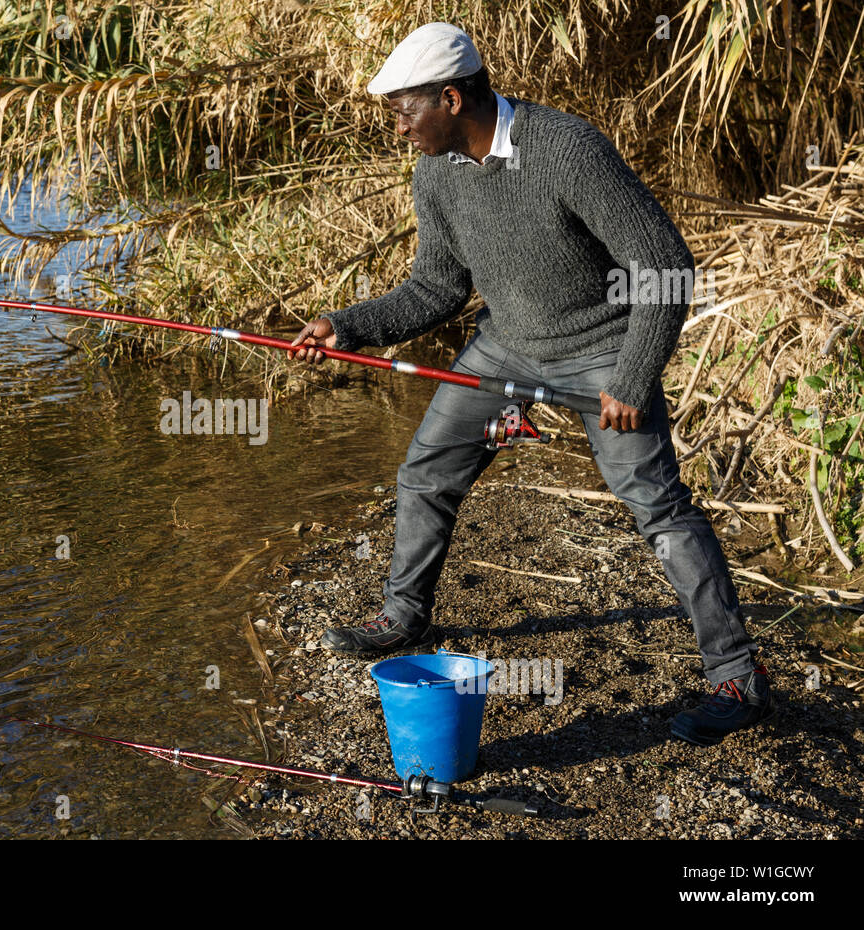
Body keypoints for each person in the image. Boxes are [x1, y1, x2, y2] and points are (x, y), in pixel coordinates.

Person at [288, 23, 773, 746]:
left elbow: (665, 265)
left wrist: (634, 375)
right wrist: (347, 326)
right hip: (505, 351)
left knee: (658, 508)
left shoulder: (567, 150)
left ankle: (736, 676)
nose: (397, 127)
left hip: (604, 350)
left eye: (402, 109)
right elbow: (435, 288)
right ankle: (403, 616)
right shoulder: (437, 171)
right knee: (425, 473)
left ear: (450, 98)